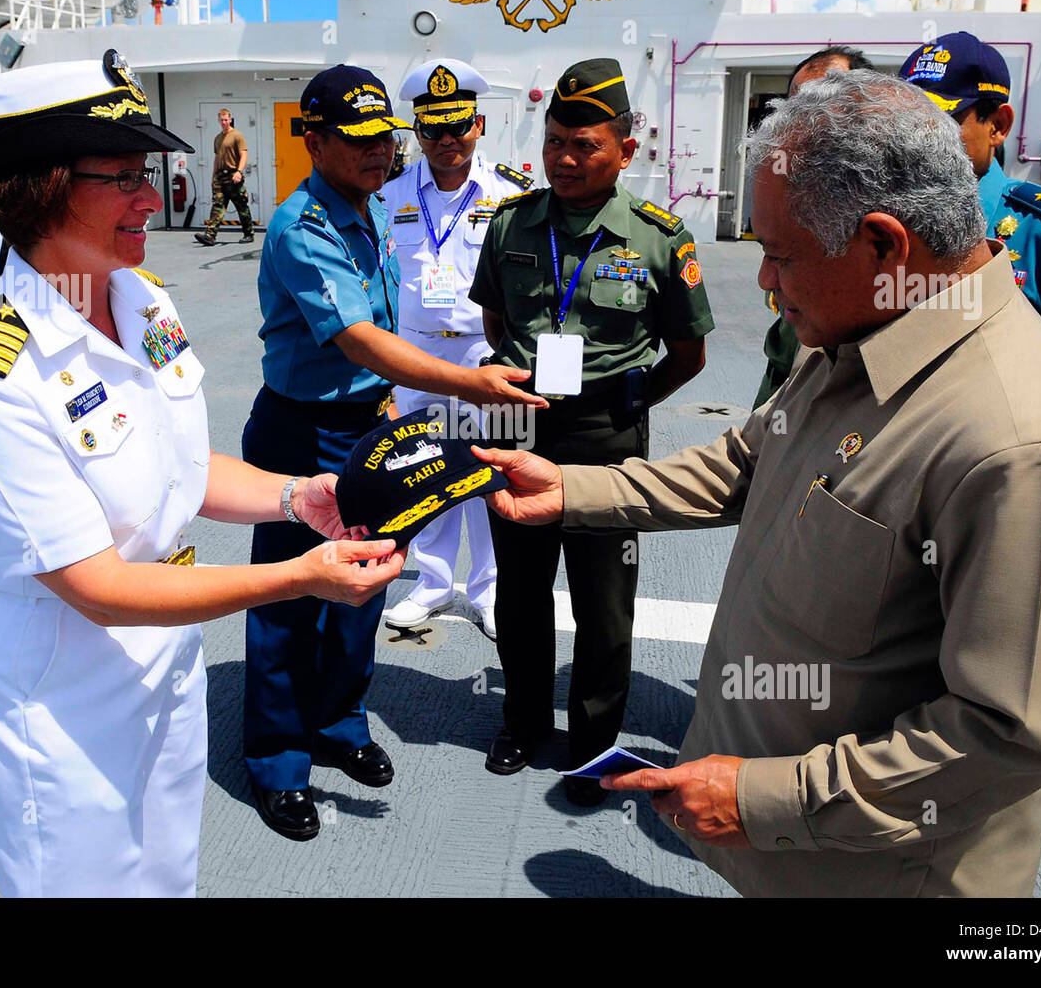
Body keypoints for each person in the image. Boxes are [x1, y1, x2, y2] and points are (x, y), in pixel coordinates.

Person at [475, 70, 1041, 896]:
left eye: (779, 256)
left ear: (886, 246)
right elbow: (745, 461)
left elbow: (1011, 734)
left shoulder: (1023, 448)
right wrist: (573, 490)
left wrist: (766, 797)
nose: (763, 284)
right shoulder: (863, 333)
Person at [0, 51, 403, 897]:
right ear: (41, 187)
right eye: (121, 177)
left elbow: (181, 470)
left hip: (166, 666)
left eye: (146, 173)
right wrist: (299, 575)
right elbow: (98, 585)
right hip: (64, 699)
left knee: (167, 881)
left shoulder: (141, 299)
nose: (151, 197)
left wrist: (300, 497)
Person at [243, 64, 544, 842]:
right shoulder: (302, 224)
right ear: (312, 139)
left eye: (385, 137)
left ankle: (340, 726)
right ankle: (278, 758)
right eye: (359, 140)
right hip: (298, 430)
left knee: (363, 592)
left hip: (364, 425)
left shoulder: (370, 205)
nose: (380, 152)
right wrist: (467, 384)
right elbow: (360, 339)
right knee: (289, 601)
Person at [470, 57, 714, 806]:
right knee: (520, 588)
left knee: (605, 599)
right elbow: (495, 320)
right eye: (554, 142)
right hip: (519, 423)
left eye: (584, 144)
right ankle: (520, 722)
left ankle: (593, 741)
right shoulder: (512, 222)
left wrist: (631, 402)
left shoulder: (659, 239)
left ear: (625, 150)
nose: (565, 159)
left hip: (607, 433)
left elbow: (690, 350)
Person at [380, 58, 532, 639]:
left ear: (479, 124)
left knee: (486, 471)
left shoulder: (513, 196)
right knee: (426, 469)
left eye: (457, 125)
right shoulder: (390, 196)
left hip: (483, 352)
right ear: (416, 132)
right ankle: (434, 581)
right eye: (432, 129)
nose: (446, 140)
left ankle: (489, 588)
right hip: (414, 354)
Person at [902, 31, 1041, 405]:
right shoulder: (890, 217)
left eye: (942, 120)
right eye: (907, 120)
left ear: (998, 126)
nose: (915, 138)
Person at [753, 45, 873, 408]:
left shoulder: (883, 198)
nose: (806, 118)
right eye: (796, 106)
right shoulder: (783, 190)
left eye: (824, 102)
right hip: (786, 376)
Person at [194, 108, 254, 245]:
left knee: (241, 206)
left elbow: (244, 154)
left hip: (233, 175)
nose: (224, 122)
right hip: (220, 177)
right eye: (221, 120)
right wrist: (213, 176)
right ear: (219, 120)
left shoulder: (237, 136)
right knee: (217, 206)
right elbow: (217, 158)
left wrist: (239, 171)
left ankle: (248, 233)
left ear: (230, 119)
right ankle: (210, 236)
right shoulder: (218, 138)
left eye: (226, 120)